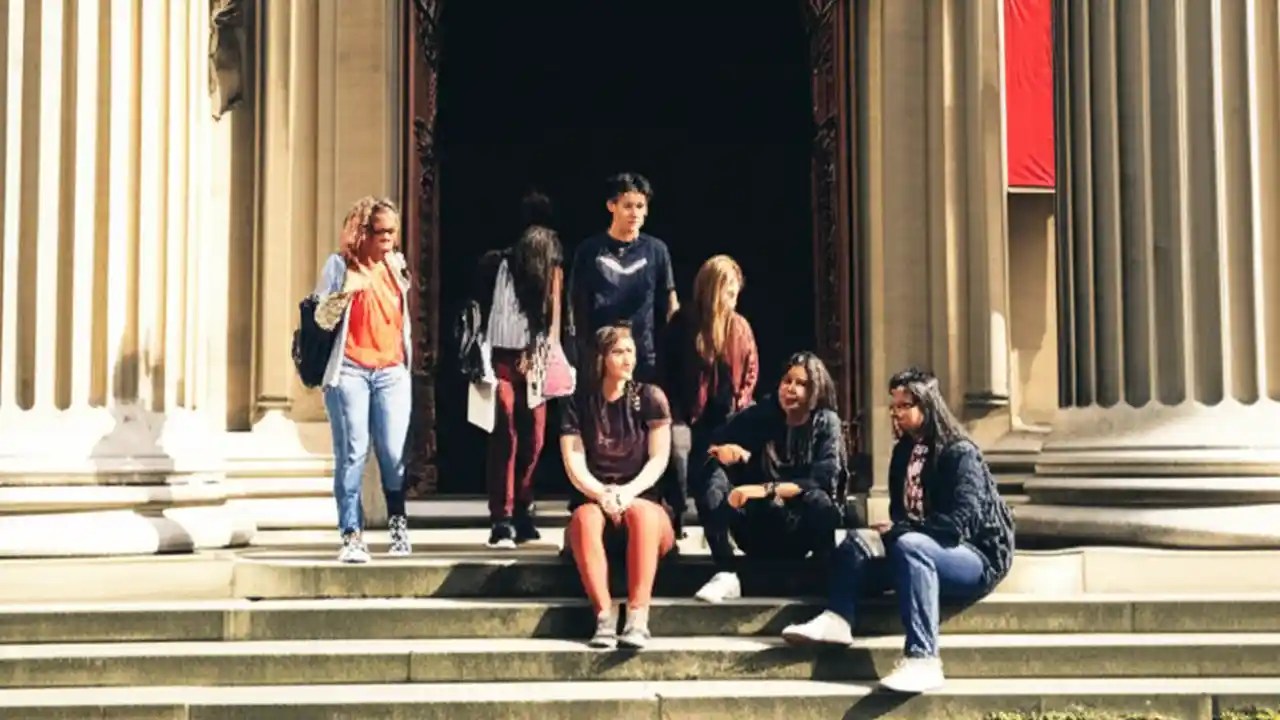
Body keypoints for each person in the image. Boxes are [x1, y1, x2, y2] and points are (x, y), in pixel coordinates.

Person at [781, 367, 1016, 694]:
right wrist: (894, 533)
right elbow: (899, 514)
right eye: (894, 406)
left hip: (974, 558)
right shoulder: (903, 453)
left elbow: (961, 523)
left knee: (909, 544)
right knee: (854, 544)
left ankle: (923, 658)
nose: (896, 414)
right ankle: (838, 618)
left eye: (904, 406)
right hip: (919, 552)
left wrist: (904, 531)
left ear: (927, 406)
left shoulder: (960, 454)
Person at [692, 352, 843, 604]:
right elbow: (711, 444)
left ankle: (823, 575)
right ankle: (726, 571)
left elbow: (822, 479)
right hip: (759, 525)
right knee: (712, 474)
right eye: (787, 381)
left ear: (817, 389)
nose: (791, 389)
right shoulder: (763, 414)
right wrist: (733, 452)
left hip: (800, 529)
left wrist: (766, 489)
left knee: (819, 500)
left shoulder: (826, 422)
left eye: (801, 384)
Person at [560, 323, 675, 650]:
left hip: (642, 501)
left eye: (630, 351)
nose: (627, 359)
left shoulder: (650, 397)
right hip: (599, 501)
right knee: (584, 518)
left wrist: (627, 493)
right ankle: (603, 618)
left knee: (642, 513)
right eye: (618, 352)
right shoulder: (577, 404)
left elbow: (659, 458)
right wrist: (601, 494)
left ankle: (638, 617)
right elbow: (574, 461)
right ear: (601, 358)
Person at [312, 197, 414, 563]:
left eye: (392, 231)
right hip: (351, 369)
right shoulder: (339, 266)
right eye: (380, 231)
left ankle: (398, 524)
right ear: (362, 231)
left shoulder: (396, 264)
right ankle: (351, 534)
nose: (388, 238)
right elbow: (320, 318)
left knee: (392, 453)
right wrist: (345, 292)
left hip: (391, 370)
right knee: (353, 452)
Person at [473, 192, 566, 549]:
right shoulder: (496, 266)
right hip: (500, 358)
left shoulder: (552, 270)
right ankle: (502, 517)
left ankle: (526, 506)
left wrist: (539, 353)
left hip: (536, 360)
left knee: (536, 436)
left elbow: (555, 321)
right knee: (505, 432)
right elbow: (481, 315)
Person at [661, 254, 758, 537]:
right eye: (729, 293)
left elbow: (751, 369)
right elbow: (667, 369)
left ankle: (730, 515)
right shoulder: (684, 323)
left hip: (727, 412)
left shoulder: (739, 327)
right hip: (687, 413)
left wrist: (741, 402)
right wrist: (674, 410)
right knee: (678, 448)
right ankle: (676, 511)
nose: (734, 299)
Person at [568, 172, 678, 383]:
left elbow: (669, 302)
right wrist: (578, 349)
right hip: (599, 355)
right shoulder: (590, 251)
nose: (635, 213)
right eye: (628, 206)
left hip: (643, 356)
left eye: (640, 206)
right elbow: (576, 304)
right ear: (612, 205)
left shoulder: (656, 250)